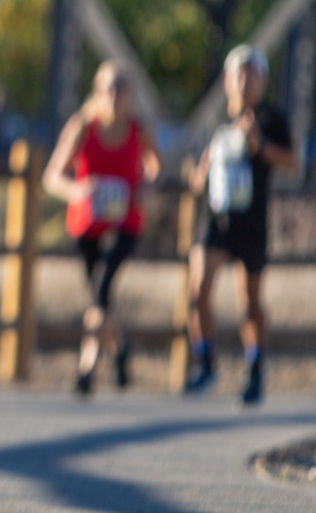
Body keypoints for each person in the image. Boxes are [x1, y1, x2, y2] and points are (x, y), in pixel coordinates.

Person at [183, 44, 293, 406]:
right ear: (229, 80)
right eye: (239, 74)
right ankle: (206, 361)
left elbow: (292, 161)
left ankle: (255, 367)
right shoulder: (218, 123)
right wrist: (197, 176)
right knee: (198, 290)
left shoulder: (272, 120)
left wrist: (259, 146)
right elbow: (203, 169)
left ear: (263, 80)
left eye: (252, 74)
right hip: (216, 218)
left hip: (251, 221)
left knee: (250, 302)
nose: (245, 81)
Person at [43, 62, 161, 397]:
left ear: (129, 95)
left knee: (100, 291)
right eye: (108, 88)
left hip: (125, 222)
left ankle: (87, 367)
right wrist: (77, 190)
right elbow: (52, 176)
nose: (114, 95)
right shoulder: (82, 126)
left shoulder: (139, 129)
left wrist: (146, 188)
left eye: (121, 88)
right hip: (87, 223)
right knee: (100, 298)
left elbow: (157, 166)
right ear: (97, 91)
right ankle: (120, 350)